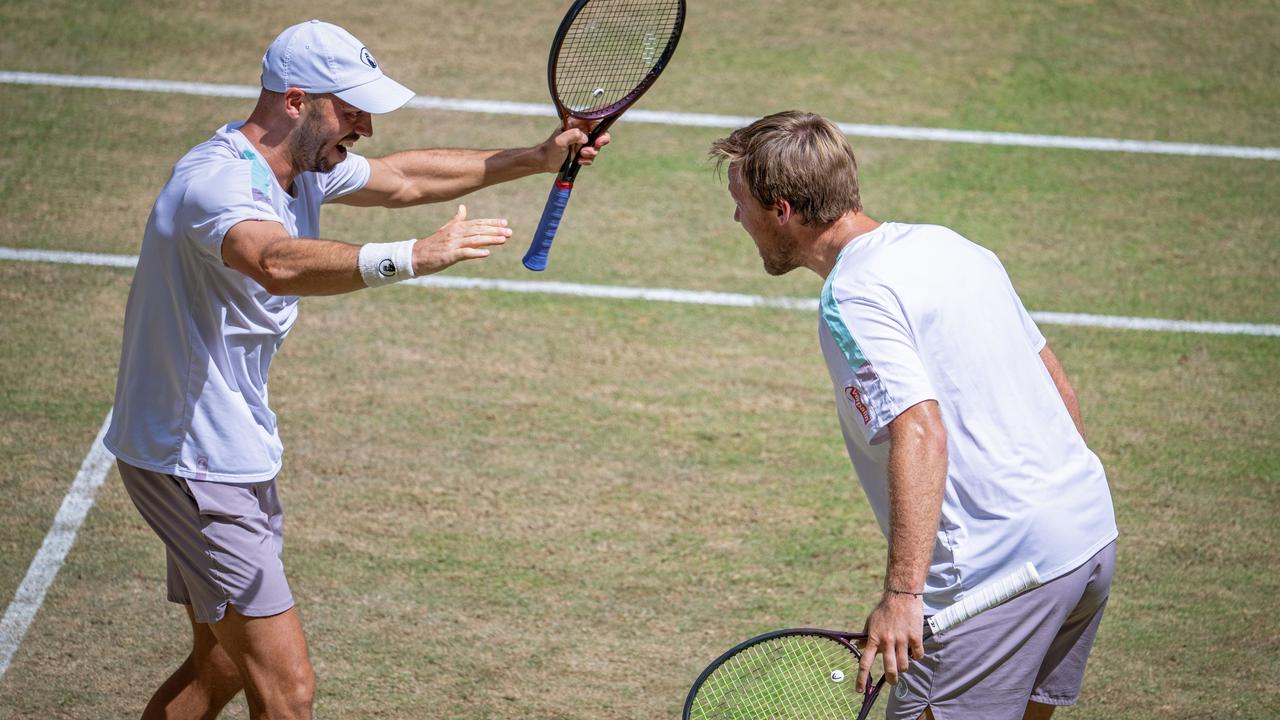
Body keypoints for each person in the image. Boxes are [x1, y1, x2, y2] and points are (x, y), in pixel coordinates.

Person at [104, 19, 609, 720]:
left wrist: (534, 156)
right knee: (290, 691)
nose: (365, 125)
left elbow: (405, 178)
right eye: (349, 110)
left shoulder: (302, 166)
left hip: (227, 448)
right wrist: (413, 256)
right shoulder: (215, 183)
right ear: (294, 100)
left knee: (219, 667)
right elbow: (275, 263)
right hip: (193, 459)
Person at [708, 111, 1117, 720]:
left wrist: (903, 594)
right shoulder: (947, 243)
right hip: (1085, 540)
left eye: (741, 201)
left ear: (782, 209)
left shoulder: (851, 296)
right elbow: (1052, 377)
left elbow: (918, 427)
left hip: (995, 581)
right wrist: (1052, 510)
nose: (736, 217)